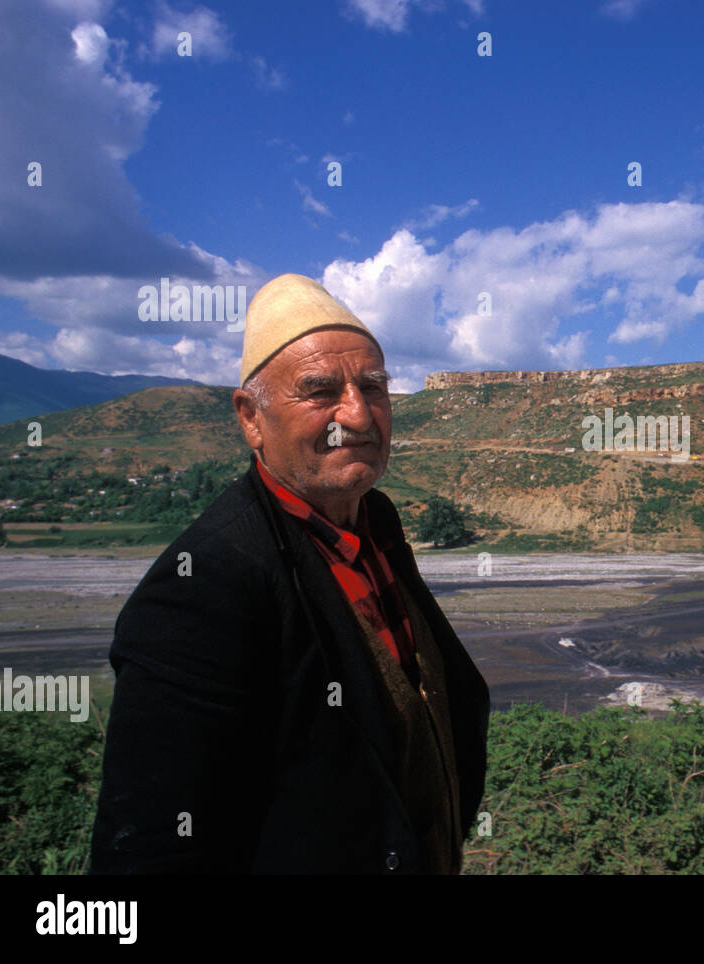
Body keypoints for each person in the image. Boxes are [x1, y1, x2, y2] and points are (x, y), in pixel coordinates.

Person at [89, 273, 489, 874]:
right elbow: (150, 850)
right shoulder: (200, 588)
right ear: (251, 417)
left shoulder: (373, 521)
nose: (357, 413)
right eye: (320, 390)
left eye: (373, 386)